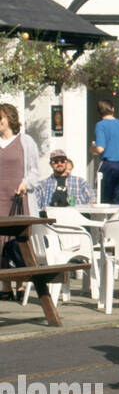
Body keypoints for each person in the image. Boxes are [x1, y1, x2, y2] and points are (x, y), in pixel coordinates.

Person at [0, 103, 42, 297]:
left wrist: (25, 183)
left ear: (10, 118)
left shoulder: (25, 142)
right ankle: (5, 287)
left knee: (17, 241)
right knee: (0, 243)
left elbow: (35, 171)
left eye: (1, 117)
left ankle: (20, 284)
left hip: (18, 198)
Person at [90, 100, 119, 206]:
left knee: (104, 200)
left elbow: (100, 149)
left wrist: (92, 148)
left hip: (108, 165)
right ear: (113, 109)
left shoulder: (101, 125)